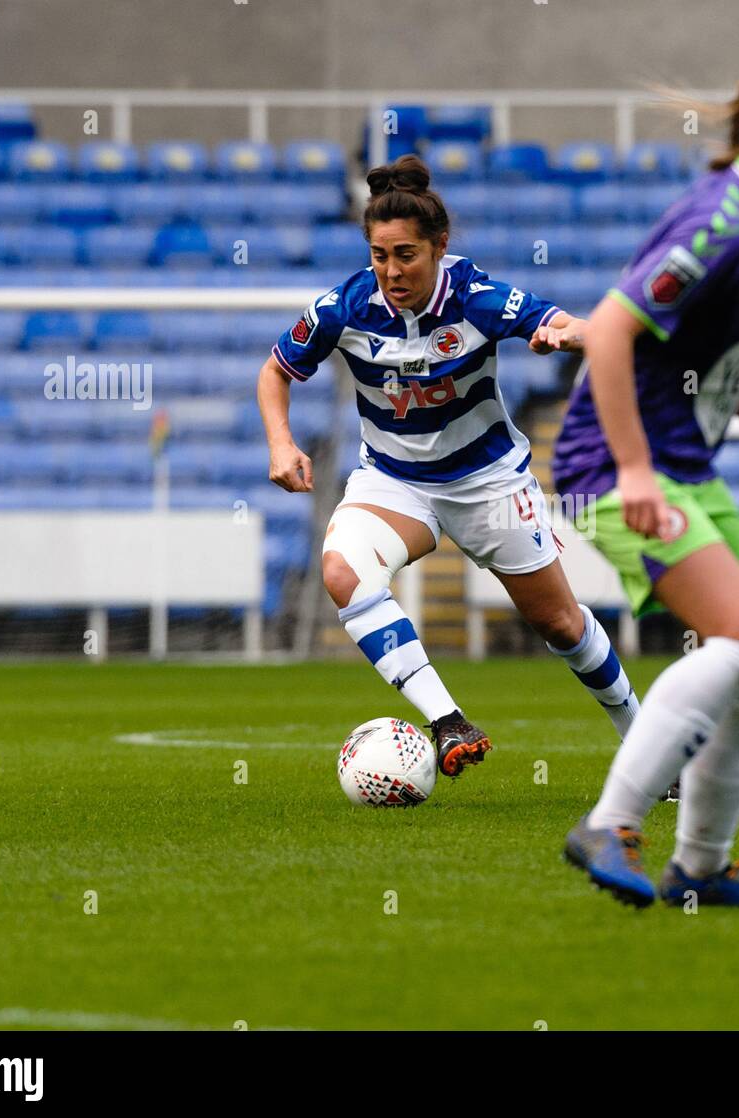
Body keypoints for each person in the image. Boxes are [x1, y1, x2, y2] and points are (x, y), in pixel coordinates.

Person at [551, 60, 739, 908]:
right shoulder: (725, 222)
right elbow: (611, 332)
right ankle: (610, 823)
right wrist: (636, 468)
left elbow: (696, 364)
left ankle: (701, 866)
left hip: (685, 463)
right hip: (614, 466)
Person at [256, 155, 639, 778]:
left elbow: (568, 324)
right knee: (343, 571)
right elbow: (275, 370)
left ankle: (643, 738)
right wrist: (280, 442)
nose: (391, 271)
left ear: (439, 246)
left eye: (405, 254)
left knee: (562, 625)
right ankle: (447, 721)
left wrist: (564, 337)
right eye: (379, 256)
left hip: (487, 482)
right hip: (394, 481)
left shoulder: (477, 296)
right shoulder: (344, 307)